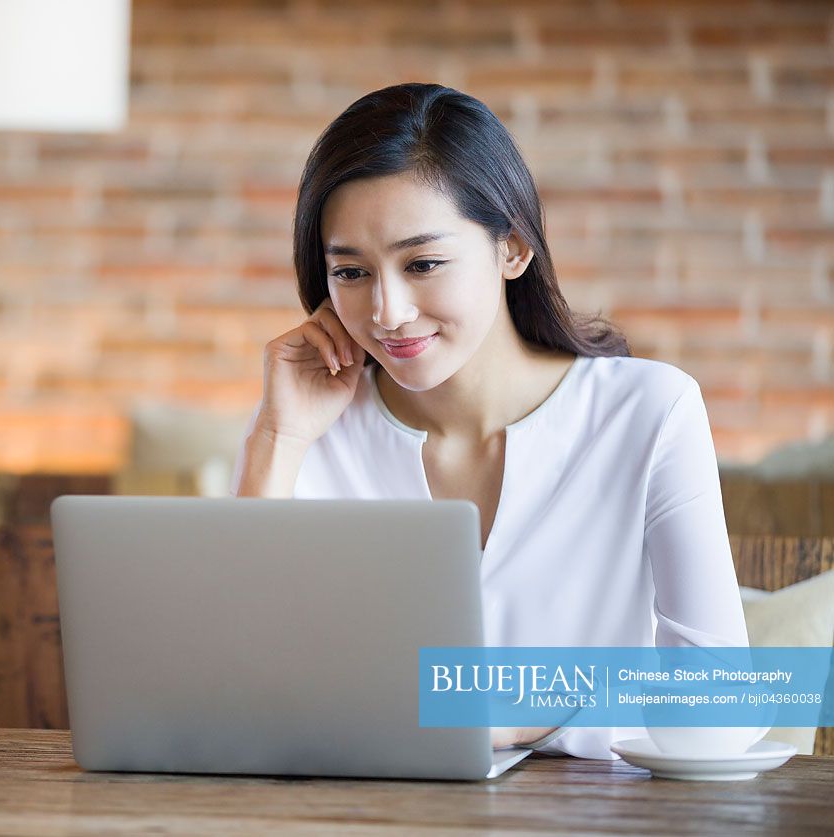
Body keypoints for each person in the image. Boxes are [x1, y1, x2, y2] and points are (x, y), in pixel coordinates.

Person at [230, 83, 750, 760]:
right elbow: (234, 691)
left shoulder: (647, 412)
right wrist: (277, 440)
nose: (385, 310)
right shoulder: (305, 428)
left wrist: (517, 717)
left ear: (512, 248)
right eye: (351, 271)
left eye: (422, 263)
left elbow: (720, 712)